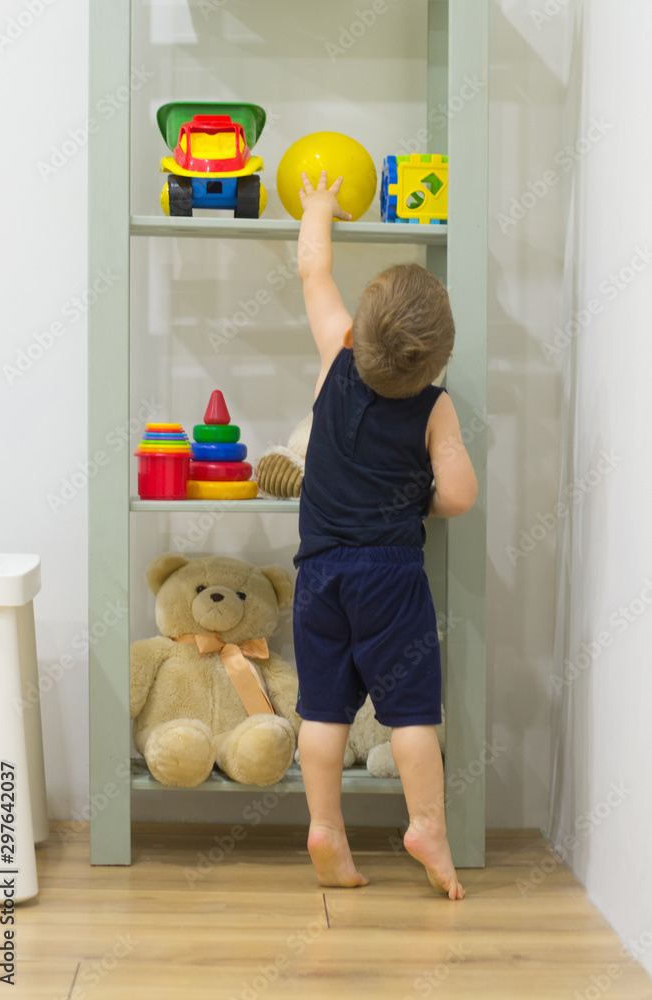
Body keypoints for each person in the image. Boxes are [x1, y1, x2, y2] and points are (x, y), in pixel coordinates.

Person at [292, 170, 477, 899]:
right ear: (438, 357)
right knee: (408, 712)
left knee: (321, 709)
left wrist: (318, 208)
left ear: (360, 334)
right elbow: (458, 497)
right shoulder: (435, 406)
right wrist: (419, 494)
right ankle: (426, 824)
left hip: (318, 577)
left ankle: (324, 829)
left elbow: (313, 269)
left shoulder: (336, 354)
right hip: (391, 579)